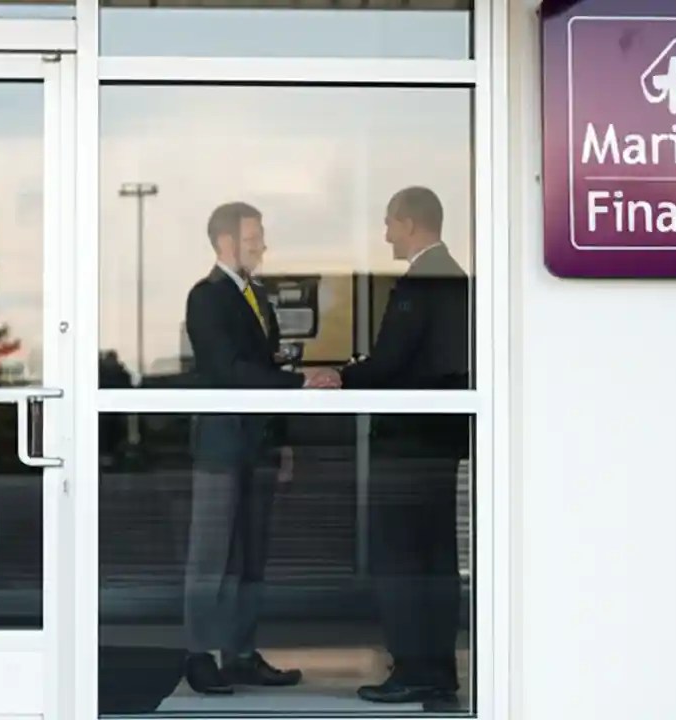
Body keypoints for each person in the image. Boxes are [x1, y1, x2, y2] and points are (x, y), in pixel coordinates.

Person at [180, 201, 338, 696]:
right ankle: (201, 655)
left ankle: (241, 654)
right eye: (254, 238)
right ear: (226, 242)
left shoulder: (256, 294)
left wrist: (282, 437)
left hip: (259, 442)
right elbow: (227, 370)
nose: (262, 245)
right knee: (212, 556)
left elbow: (258, 364)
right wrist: (295, 384)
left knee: (250, 556)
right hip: (223, 443)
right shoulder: (205, 298)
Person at [338, 186, 471, 704]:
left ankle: (415, 668)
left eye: (390, 222)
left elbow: (392, 363)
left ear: (411, 223)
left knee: (401, 559)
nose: (386, 232)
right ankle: (436, 668)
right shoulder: (456, 276)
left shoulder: (426, 280)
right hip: (437, 443)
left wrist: (341, 378)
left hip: (410, 445)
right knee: (434, 557)